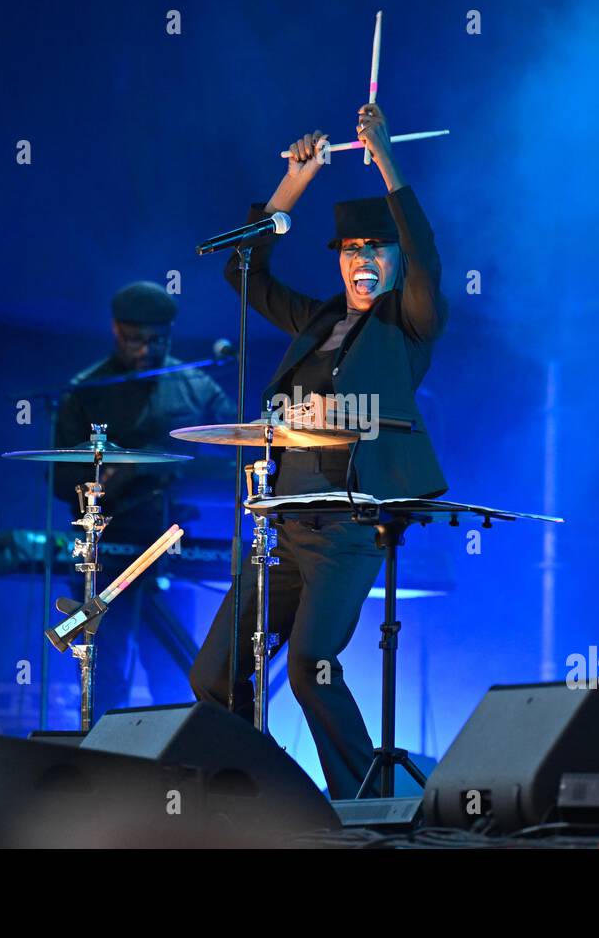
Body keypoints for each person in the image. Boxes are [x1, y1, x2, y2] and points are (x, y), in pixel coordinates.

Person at [188, 103, 449, 798]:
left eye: (378, 249)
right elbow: (242, 273)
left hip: (348, 528)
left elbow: (425, 253)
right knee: (213, 674)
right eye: (352, 251)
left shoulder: (409, 324)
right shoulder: (320, 319)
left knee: (310, 667)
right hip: (282, 526)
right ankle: (263, 794)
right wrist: (292, 188)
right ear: (339, 260)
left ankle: (366, 806)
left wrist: (387, 157)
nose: (365, 260)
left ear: (394, 261)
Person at [55, 281, 233, 711]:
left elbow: (238, 446)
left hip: (174, 545)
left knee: (174, 666)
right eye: (137, 340)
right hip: (107, 550)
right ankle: (103, 762)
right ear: (117, 330)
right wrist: (128, 468)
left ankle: (173, 765)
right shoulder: (86, 390)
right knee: (105, 667)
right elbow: (64, 485)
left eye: (158, 340)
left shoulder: (195, 387)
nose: (147, 350)